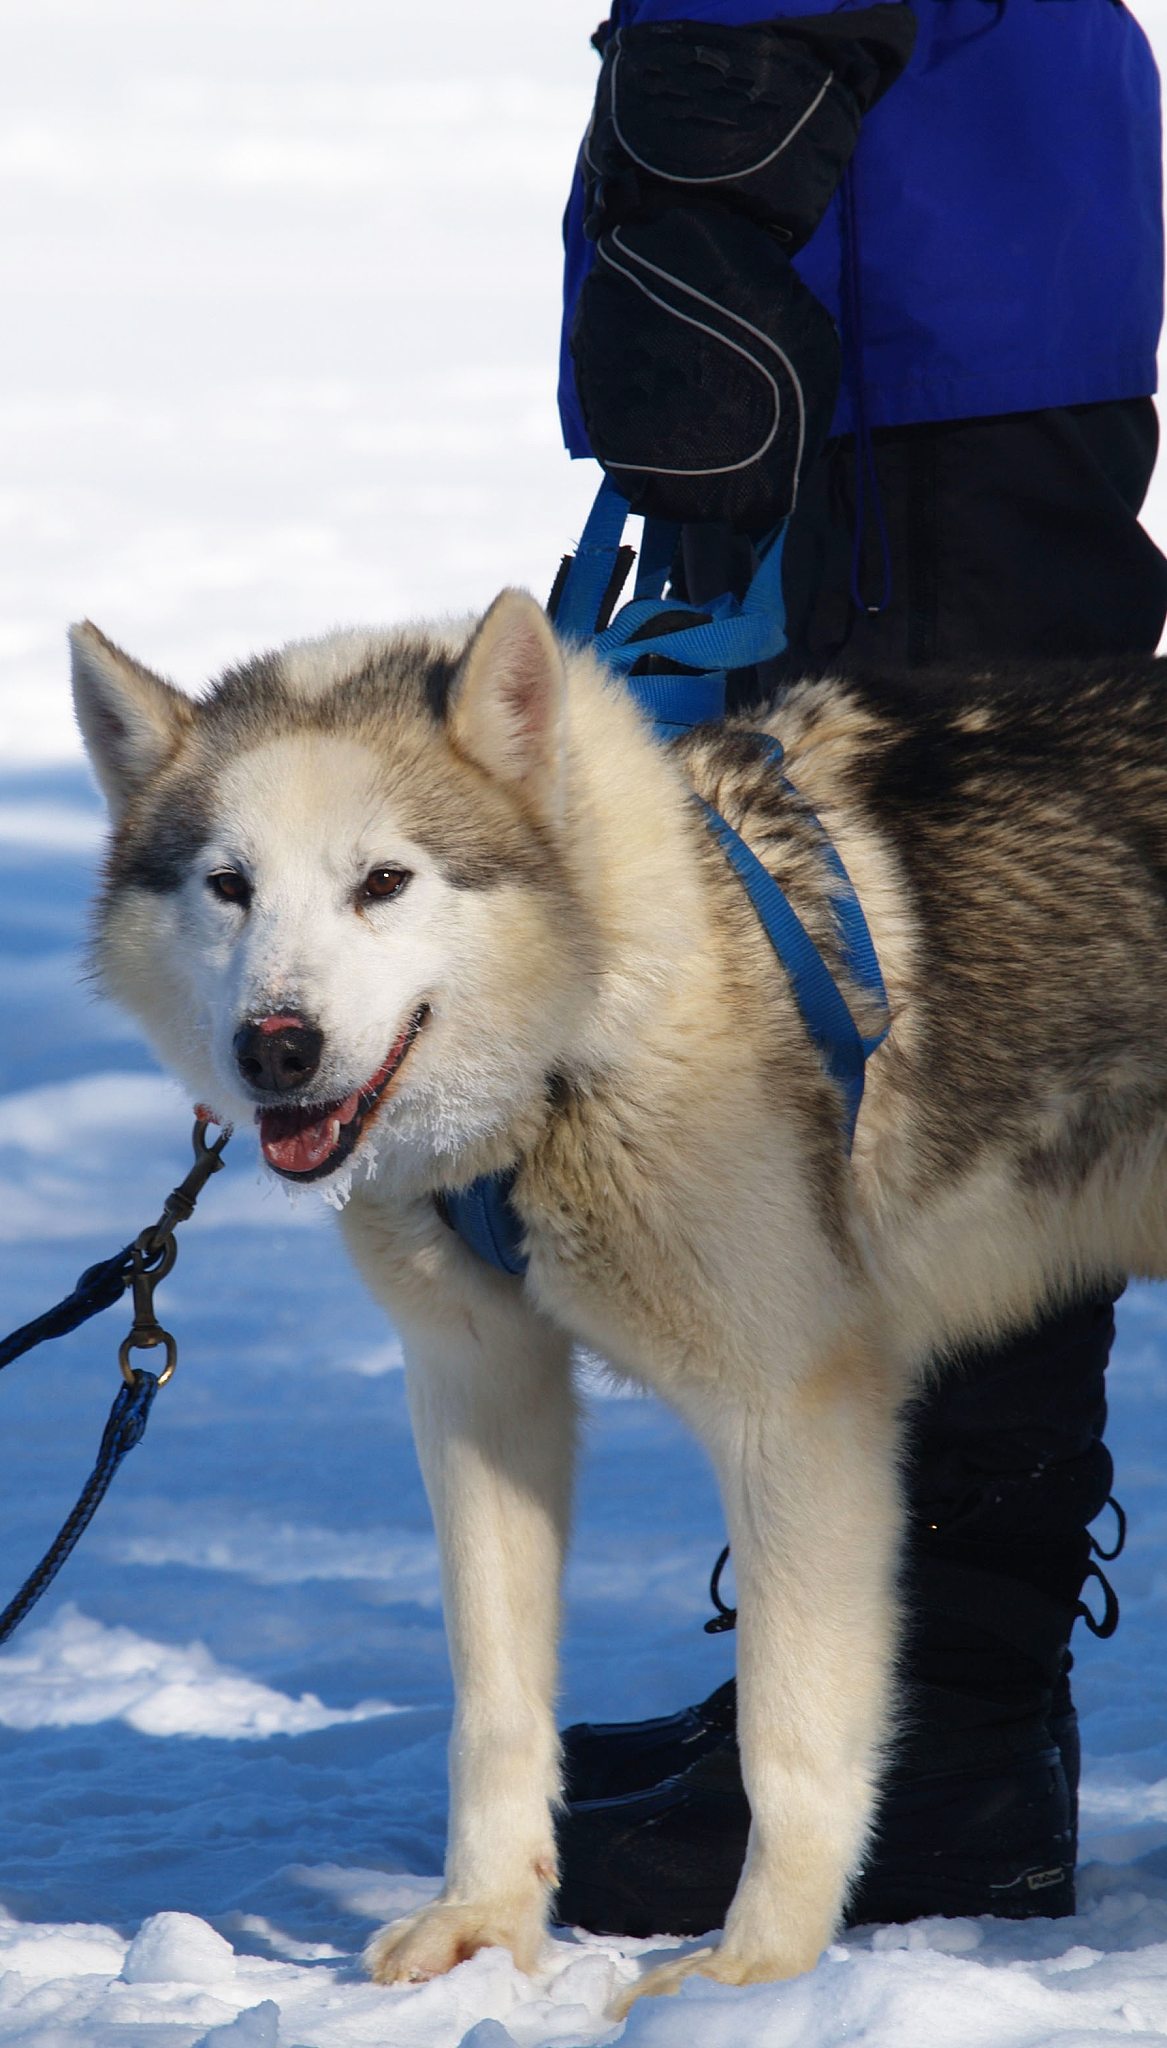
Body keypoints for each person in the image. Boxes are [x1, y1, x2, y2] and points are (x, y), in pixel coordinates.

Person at [550, 0, 1167, 1936]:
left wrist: (709, 176)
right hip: (911, 316)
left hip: (923, 359)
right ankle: (877, 1699)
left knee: (953, 1054)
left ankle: (942, 1743)